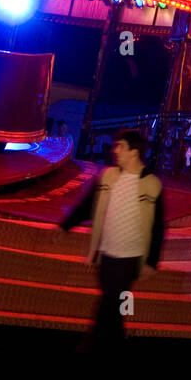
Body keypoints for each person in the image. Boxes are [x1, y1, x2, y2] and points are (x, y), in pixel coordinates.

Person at [60, 130, 165, 349]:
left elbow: (158, 227)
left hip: (129, 258)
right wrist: (65, 226)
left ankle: (88, 347)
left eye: (121, 146)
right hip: (106, 255)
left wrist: (151, 262)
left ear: (134, 153)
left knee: (108, 305)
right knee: (114, 309)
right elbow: (89, 206)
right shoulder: (107, 176)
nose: (115, 150)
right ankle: (115, 345)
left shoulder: (152, 184)